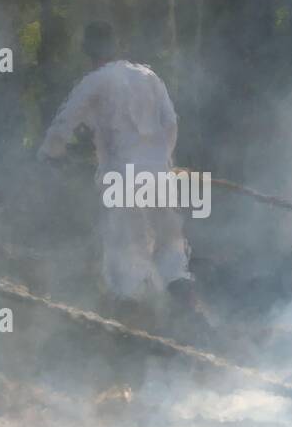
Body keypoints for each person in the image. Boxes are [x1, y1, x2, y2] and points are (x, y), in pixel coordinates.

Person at [37, 22, 194, 307]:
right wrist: (162, 158)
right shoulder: (149, 76)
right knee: (169, 243)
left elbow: (64, 124)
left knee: (126, 249)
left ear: (88, 52)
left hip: (122, 179)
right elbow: (171, 122)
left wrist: (49, 155)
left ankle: (136, 322)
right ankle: (183, 304)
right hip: (158, 175)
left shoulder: (95, 81)